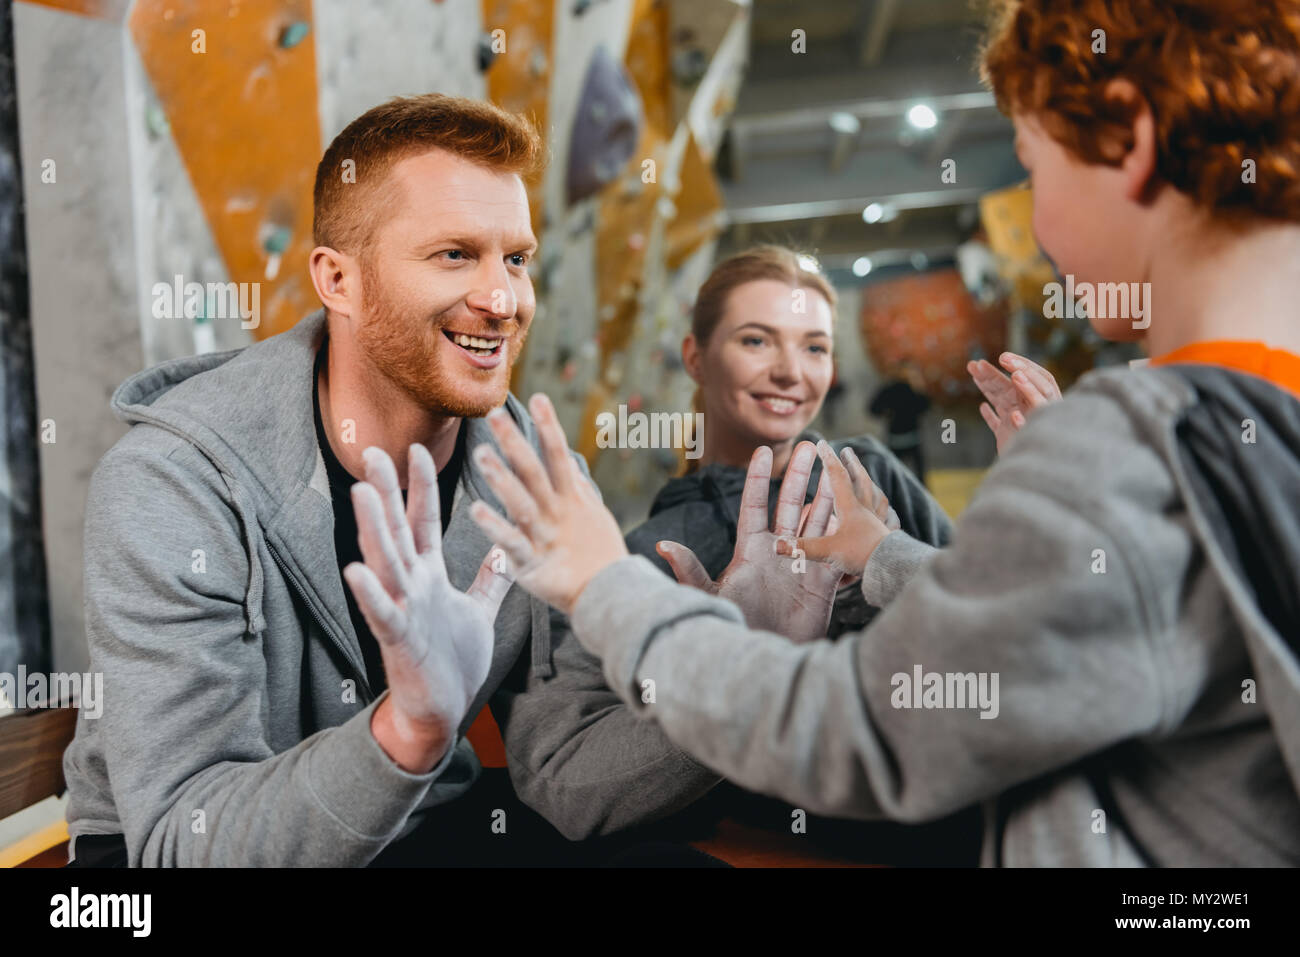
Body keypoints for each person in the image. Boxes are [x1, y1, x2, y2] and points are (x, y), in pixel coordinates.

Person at [386, 0, 1300, 865]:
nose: (1037, 220)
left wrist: (602, 584)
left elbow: (861, 730)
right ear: (696, 357)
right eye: (757, 340)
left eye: (1034, 169)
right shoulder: (1228, 433)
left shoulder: (1130, 448)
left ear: (1129, 139)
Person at [62, 94, 724, 867]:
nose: (503, 301)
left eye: (516, 259)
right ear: (338, 280)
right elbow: (184, 835)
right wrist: (407, 728)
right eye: (455, 255)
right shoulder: (173, 484)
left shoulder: (534, 480)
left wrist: (737, 679)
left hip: (408, 818)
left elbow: (567, 774)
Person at [624, 245, 976, 863]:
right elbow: (653, 774)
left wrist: (886, 565)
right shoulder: (657, 546)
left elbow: (989, 625)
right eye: (756, 341)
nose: (792, 372)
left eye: (815, 347)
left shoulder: (870, 472)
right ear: (695, 357)